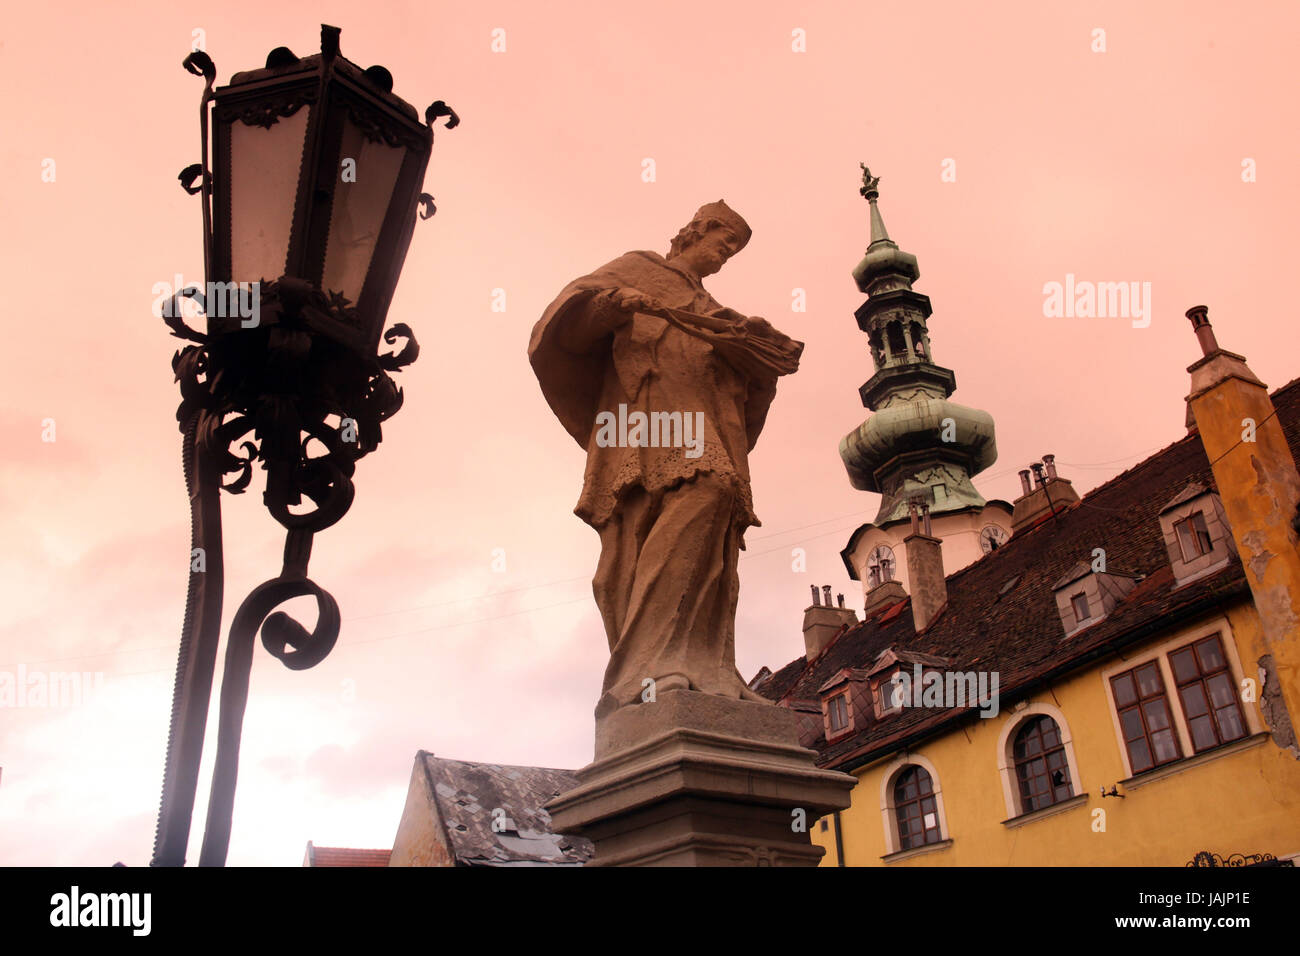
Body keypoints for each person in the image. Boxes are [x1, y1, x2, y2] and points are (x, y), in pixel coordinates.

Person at [529, 201, 802, 717]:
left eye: (733, 251)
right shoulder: (641, 268)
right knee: (706, 491)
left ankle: (709, 666)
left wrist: (752, 352)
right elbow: (566, 329)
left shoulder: (713, 309)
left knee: (717, 531)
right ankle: (648, 664)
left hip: (704, 421)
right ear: (695, 232)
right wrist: (615, 305)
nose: (724, 256)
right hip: (649, 421)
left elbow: (742, 387)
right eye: (722, 243)